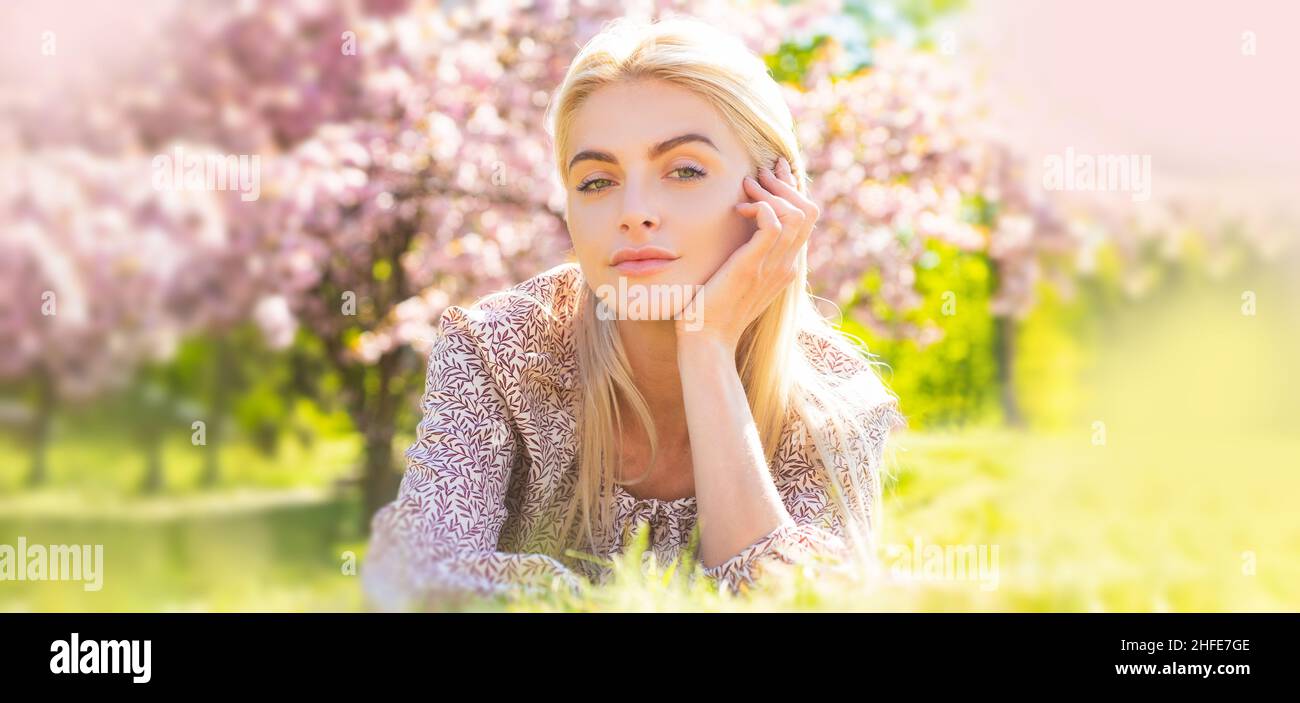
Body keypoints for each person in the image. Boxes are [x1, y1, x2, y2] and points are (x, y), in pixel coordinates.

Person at [361, 15, 906, 611]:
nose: (635, 211)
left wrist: (707, 347)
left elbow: (796, 601)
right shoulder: (499, 351)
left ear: (777, 197)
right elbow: (414, 576)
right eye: (597, 181)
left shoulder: (834, 399)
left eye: (685, 171)